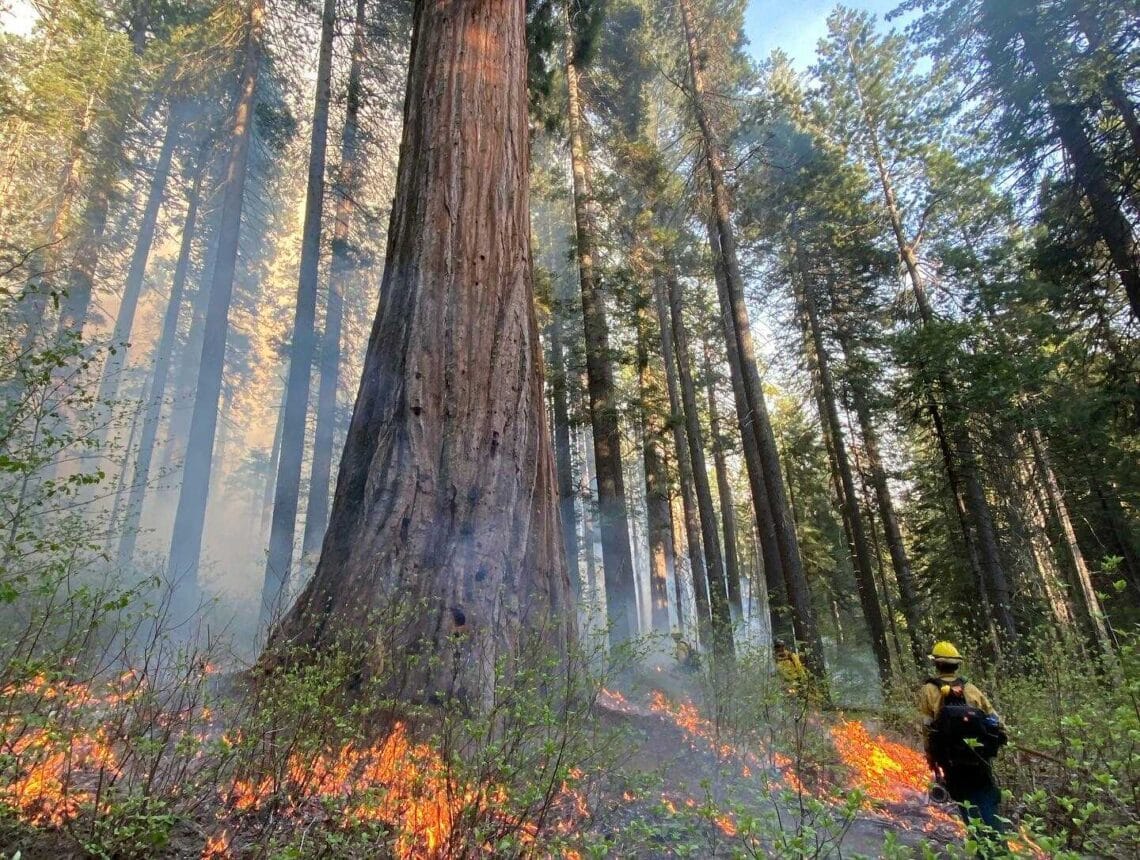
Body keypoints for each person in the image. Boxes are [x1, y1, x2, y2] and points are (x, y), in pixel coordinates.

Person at [918, 641, 1008, 837]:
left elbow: (927, 728)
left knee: (967, 805)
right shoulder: (971, 688)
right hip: (979, 760)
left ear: (937, 664)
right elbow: (996, 722)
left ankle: (982, 850)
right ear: (956, 665)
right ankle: (999, 847)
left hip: (952, 763)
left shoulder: (928, 690)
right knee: (987, 799)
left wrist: (931, 759)